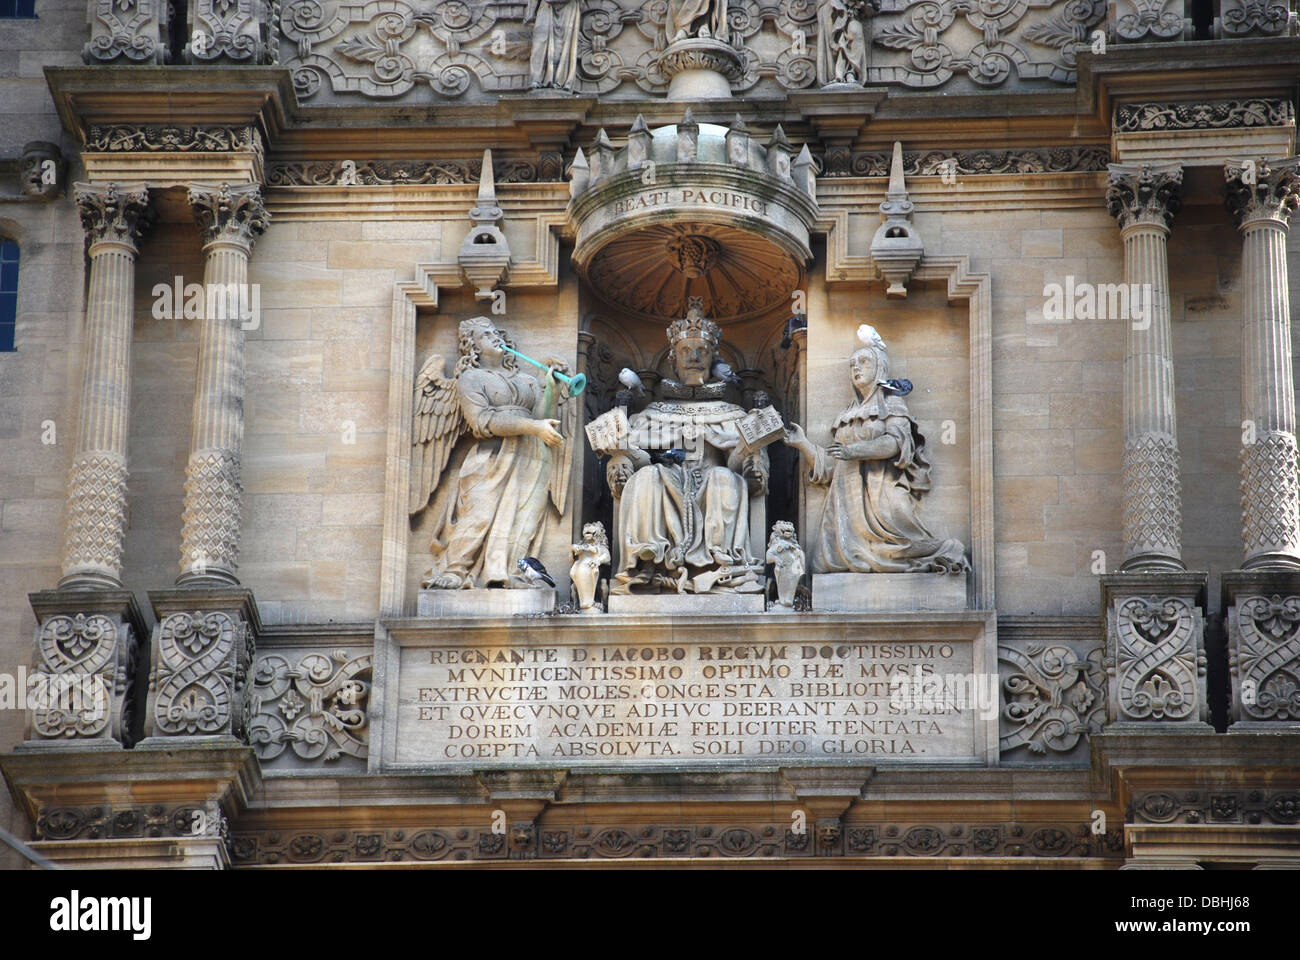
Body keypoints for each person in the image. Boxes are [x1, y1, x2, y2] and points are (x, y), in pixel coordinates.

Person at [784, 327, 967, 574]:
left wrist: (854, 451)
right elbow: (833, 464)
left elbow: (895, 444)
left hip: (882, 496)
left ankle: (944, 551)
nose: (856, 368)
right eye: (852, 364)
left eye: (863, 361)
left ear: (880, 367)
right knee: (822, 565)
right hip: (845, 503)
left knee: (900, 548)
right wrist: (802, 444)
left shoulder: (893, 404)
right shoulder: (845, 416)